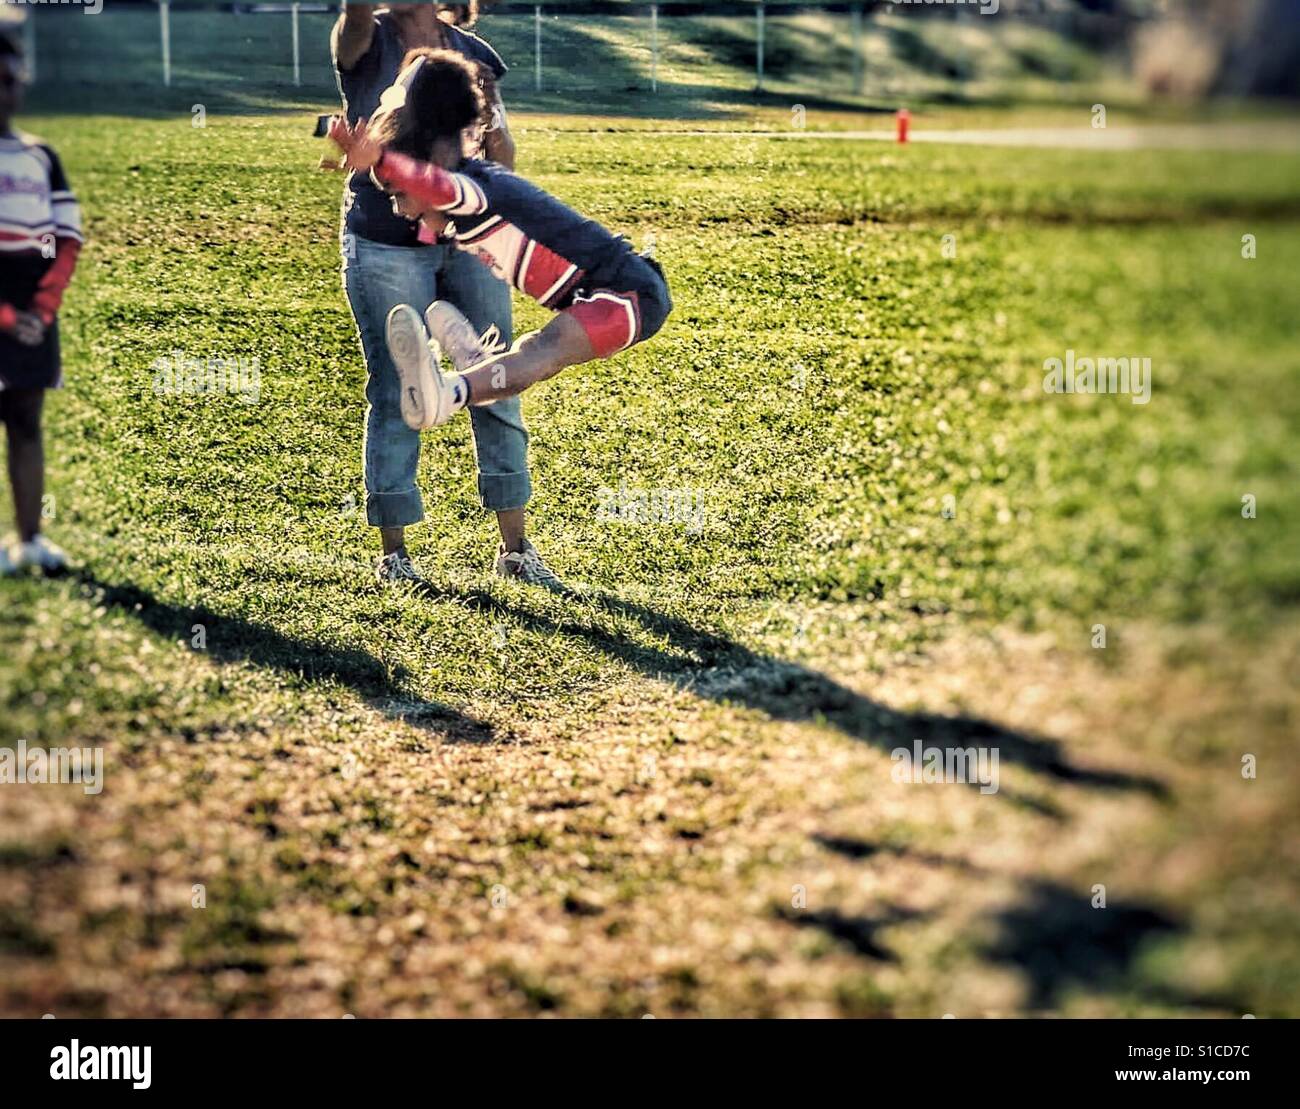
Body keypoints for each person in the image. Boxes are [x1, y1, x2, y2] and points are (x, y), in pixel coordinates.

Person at [332, 3, 563, 590]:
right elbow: (354, 18)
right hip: (385, 243)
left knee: (498, 379)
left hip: (469, 241)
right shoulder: (368, 39)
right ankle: (395, 556)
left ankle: (516, 549)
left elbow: (502, 151)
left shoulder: (478, 56)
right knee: (396, 387)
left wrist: (488, 163)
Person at [329, 49, 671, 431]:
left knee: (540, 352)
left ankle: (450, 392)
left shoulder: (474, 190)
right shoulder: (453, 212)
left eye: (398, 195)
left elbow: (436, 185)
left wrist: (381, 160)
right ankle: (476, 362)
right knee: (527, 355)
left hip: (629, 293)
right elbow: (427, 167)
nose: (398, 210)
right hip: (600, 293)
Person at [0, 32, 83, 577]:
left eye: (9, 79)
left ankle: (29, 540)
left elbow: (67, 238)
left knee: (26, 423)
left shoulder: (39, 156)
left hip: (34, 306)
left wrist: (41, 310)